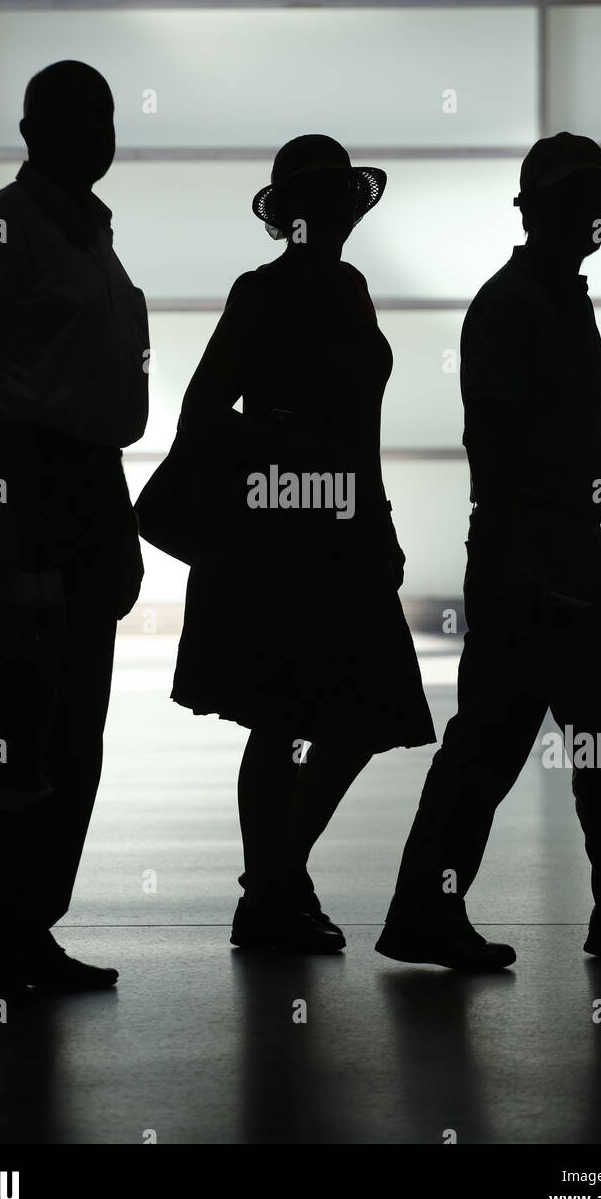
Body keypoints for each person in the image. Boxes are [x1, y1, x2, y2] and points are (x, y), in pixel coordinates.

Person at [376, 132, 601, 971]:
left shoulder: (560, 298)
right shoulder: (516, 305)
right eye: (576, 201)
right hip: (535, 552)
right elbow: (492, 443)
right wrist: (518, 561)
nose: (591, 214)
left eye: (593, 200)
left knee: (581, 736)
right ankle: (447, 908)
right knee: (507, 742)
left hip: (562, 549)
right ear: (536, 211)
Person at [169, 134, 436, 952]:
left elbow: (215, 413)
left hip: (301, 533)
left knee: (294, 716)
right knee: (325, 715)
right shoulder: (301, 293)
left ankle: (274, 881)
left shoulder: (304, 291)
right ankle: (276, 882)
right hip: (303, 537)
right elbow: (217, 409)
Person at [0, 60, 149, 1001]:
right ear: (32, 131)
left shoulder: (92, 241)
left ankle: (25, 931)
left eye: (101, 116)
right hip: (35, 480)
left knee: (74, 728)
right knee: (28, 726)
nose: (95, 132)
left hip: (87, 482)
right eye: (75, 117)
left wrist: (112, 517)